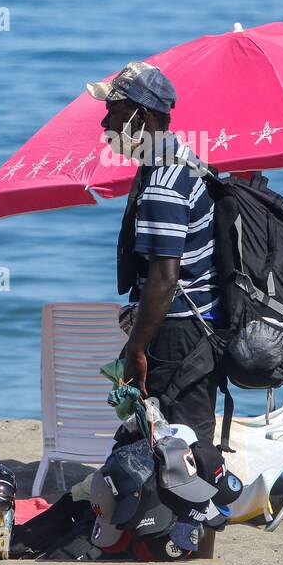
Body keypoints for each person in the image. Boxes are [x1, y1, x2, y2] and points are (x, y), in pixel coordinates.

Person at [92, 61, 220, 447]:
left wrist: (137, 349)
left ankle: (201, 507)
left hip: (180, 332)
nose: (105, 124)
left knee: (185, 448)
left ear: (141, 115)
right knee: (159, 440)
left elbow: (165, 277)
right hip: (193, 325)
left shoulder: (163, 181)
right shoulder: (183, 162)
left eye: (112, 111)